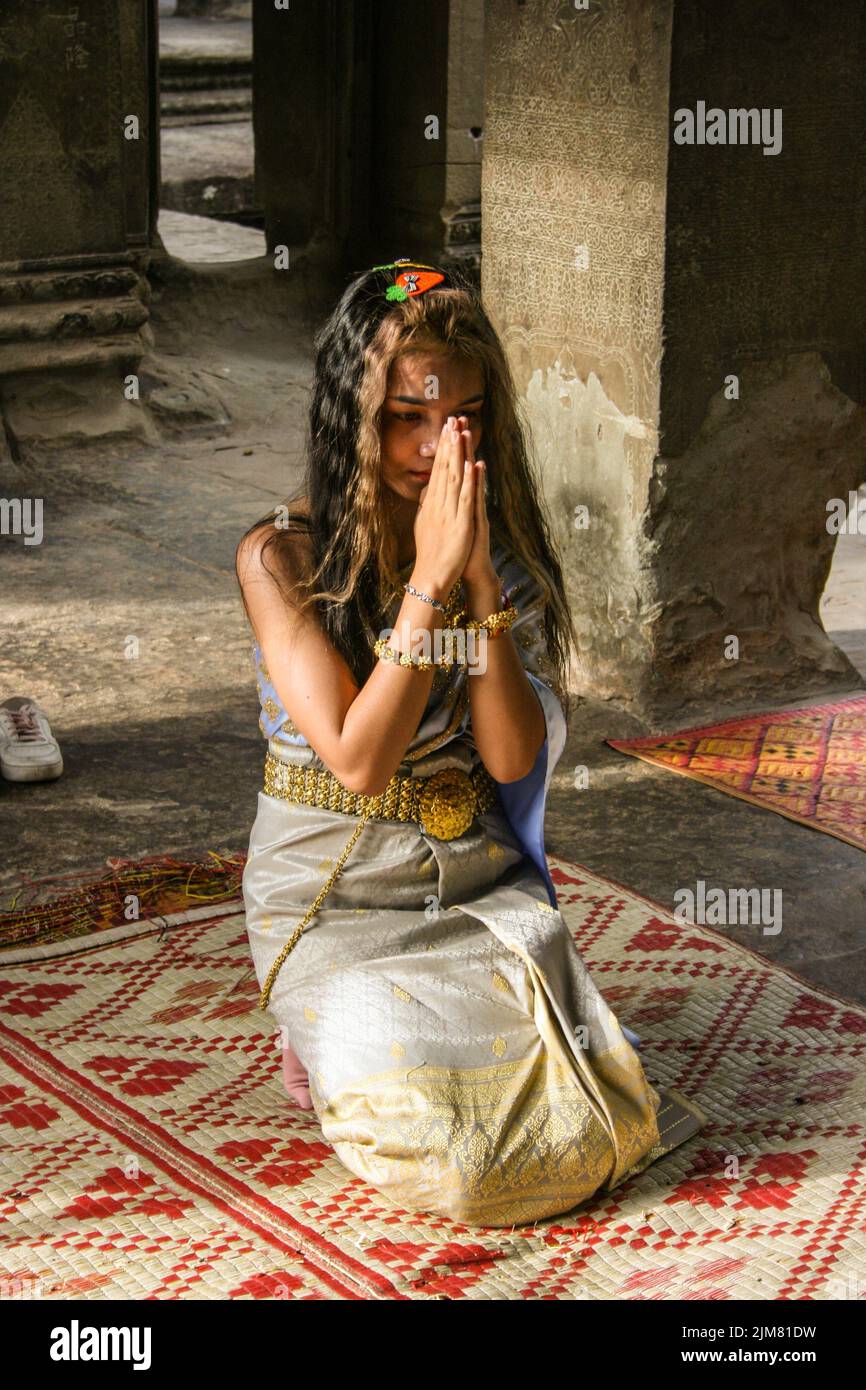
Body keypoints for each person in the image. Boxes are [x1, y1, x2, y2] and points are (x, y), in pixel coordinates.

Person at [235, 258, 705, 1227]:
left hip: (478, 885)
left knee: (598, 1114)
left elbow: (505, 758)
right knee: (455, 1165)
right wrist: (425, 583)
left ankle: (363, 1037)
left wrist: (479, 590)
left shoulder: (498, 552)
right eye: (406, 414)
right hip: (335, 896)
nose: (431, 446)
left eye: (463, 416)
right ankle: (324, 1028)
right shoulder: (280, 556)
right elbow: (359, 758)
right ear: (350, 413)